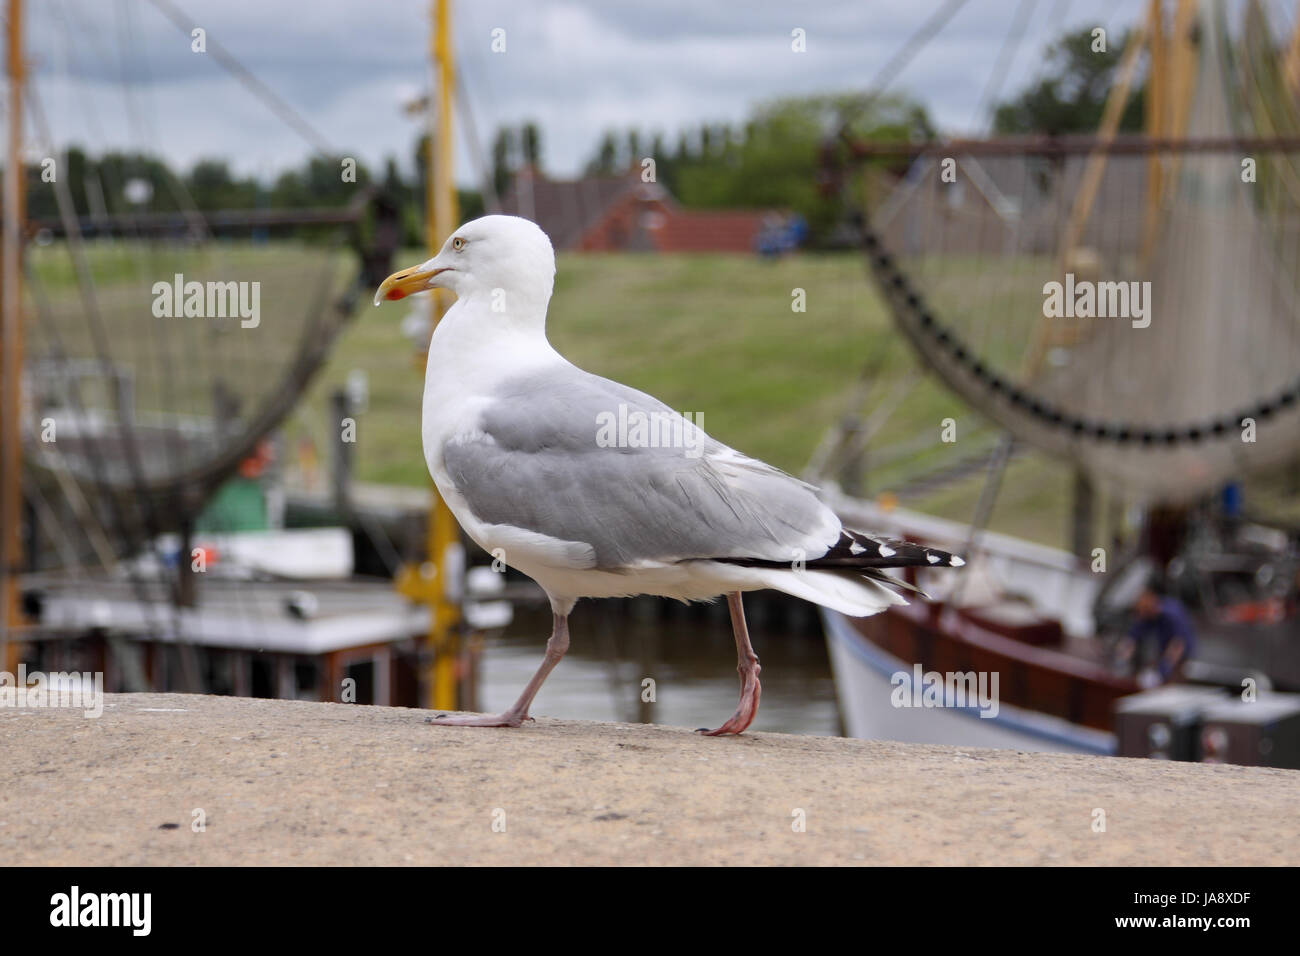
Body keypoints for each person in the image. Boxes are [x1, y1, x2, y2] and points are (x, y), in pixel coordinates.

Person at [1117, 586, 1196, 683]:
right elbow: (1131, 639)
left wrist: (1162, 670)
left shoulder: (1171, 614)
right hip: (1164, 650)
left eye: (1142, 611)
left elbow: (1177, 646)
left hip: (1181, 654)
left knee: (1171, 681)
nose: (1140, 615)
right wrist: (1120, 660)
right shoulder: (1147, 614)